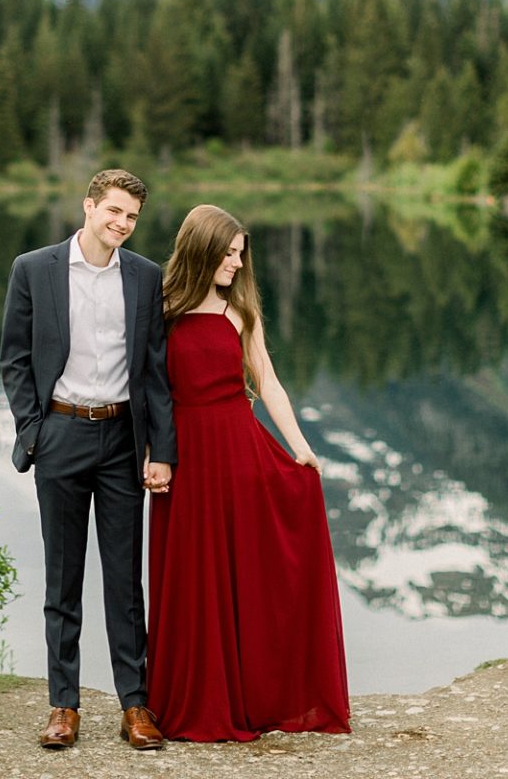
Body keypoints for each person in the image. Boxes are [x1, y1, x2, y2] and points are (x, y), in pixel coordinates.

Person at [147, 204, 351, 741]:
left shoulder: (239, 312)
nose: (237, 264)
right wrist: (150, 451)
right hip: (183, 457)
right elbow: (147, 388)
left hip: (239, 452)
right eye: (229, 253)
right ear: (202, 250)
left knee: (247, 575)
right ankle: (197, 699)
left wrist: (301, 448)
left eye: (241, 254)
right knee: (193, 577)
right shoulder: (160, 307)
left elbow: (268, 382)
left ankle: (255, 694)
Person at [0, 168, 176, 751]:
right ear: (89, 206)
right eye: (114, 211)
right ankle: (64, 705)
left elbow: (155, 370)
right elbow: (14, 359)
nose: (122, 224)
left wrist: (162, 450)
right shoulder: (34, 268)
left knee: (126, 581)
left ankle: (135, 705)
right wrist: (34, 431)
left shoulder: (145, 276)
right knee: (63, 578)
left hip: (123, 439)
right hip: (61, 434)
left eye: (132, 217)